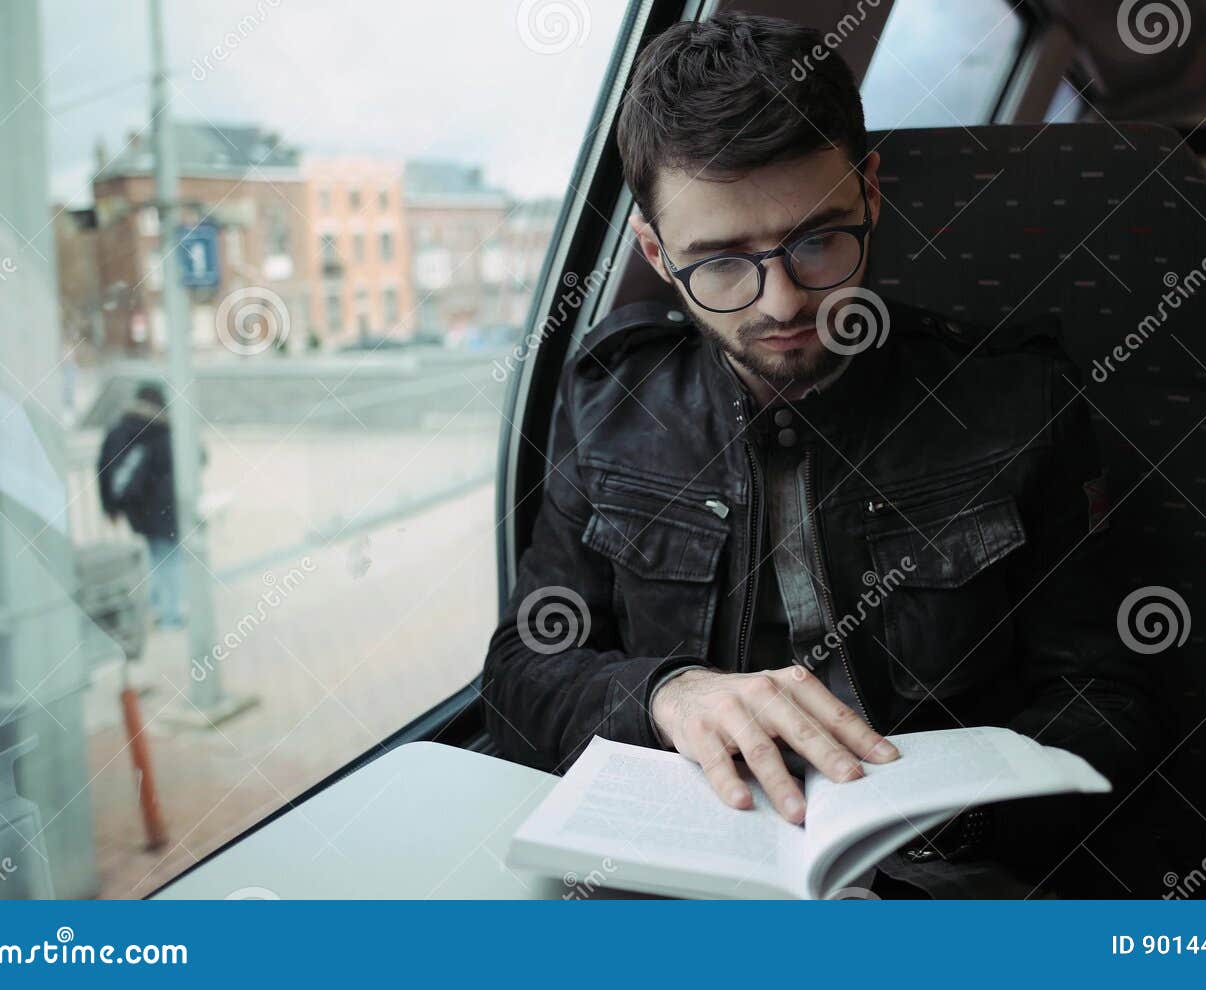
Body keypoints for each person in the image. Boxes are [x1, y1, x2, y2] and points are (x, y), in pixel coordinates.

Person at [483, 12, 1164, 895]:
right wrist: (669, 693)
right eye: (720, 263)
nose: (781, 304)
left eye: (817, 241)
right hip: (689, 880)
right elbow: (521, 674)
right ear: (655, 251)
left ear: (870, 192)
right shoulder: (613, 400)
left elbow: (1109, 700)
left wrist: (953, 812)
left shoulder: (1017, 400)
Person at [97, 382, 183, 629]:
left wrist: (109, 507)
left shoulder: (119, 429)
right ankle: (170, 615)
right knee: (169, 559)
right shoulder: (164, 432)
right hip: (165, 509)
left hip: (135, 509)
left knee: (150, 557)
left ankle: (154, 608)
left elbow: (103, 468)